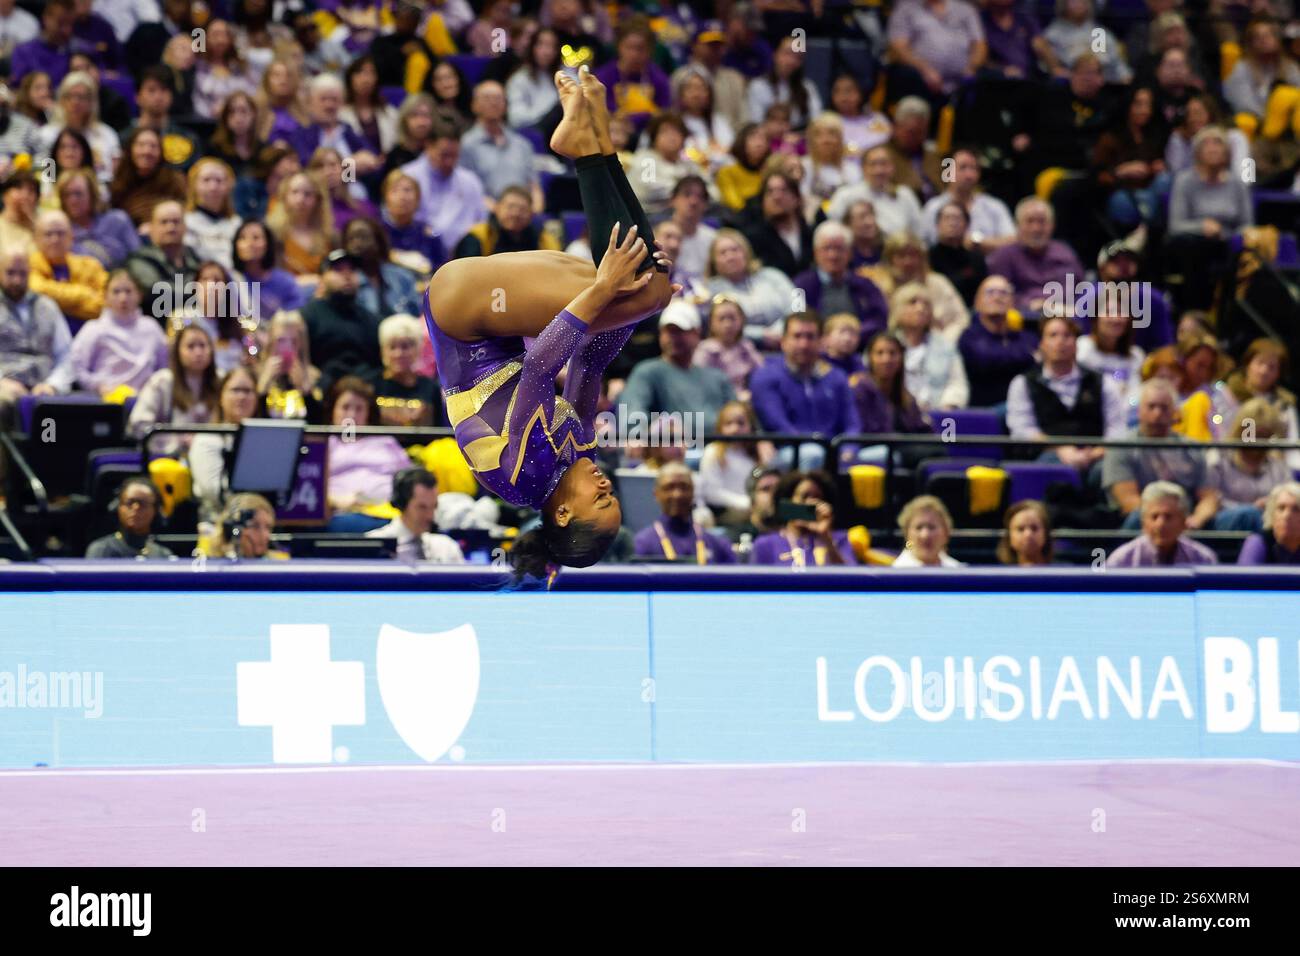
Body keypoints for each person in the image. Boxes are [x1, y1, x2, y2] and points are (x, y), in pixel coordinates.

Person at [423, 66, 677, 575]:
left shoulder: (526, 477)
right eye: (614, 499)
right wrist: (627, 306)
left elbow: (541, 367)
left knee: (642, 289)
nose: (607, 488)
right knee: (648, 283)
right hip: (490, 325)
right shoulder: (578, 448)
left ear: (562, 513)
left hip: (462, 312)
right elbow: (591, 357)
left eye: (600, 502)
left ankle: (588, 146)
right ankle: (595, 134)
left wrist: (609, 292)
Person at [1102, 379, 1261, 533]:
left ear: (1174, 412)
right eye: (1151, 406)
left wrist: (1197, 519)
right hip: (1147, 523)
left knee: (1248, 515)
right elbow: (1129, 502)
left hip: (1189, 522)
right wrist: (1169, 520)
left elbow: (1209, 498)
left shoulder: (1191, 447)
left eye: (1164, 408)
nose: (1157, 413)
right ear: (1139, 411)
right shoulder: (1121, 447)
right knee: (1137, 518)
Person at [1005, 315, 1128, 472]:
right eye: (1053, 335)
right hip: (1047, 455)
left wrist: (1096, 453)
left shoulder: (1103, 382)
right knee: (1052, 466)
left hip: (1097, 457)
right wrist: (1060, 449)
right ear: (1042, 344)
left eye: (1067, 335)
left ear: (1076, 344)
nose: (1060, 341)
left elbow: (1116, 429)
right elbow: (1022, 431)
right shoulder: (1022, 383)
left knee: (1112, 469)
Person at [749, 311, 860, 472]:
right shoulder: (765, 377)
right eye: (797, 336)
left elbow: (852, 423)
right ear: (783, 341)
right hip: (786, 450)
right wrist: (824, 448)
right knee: (813, 454)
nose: (804, 344)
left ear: (821, 342)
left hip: (833, 450)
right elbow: (779, 425)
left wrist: (849, 449)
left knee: (884, 455)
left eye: (810, 337)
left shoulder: (836, 377)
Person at [325, 376, 416, 533]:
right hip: (343, 515)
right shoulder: (324, 445)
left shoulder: (386, 441)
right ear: (333, 410)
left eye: (359, 408)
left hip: (390, 513)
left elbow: (410, 480)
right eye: (345, 407)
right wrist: (334, 501)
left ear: (368, 413)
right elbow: (311, 490)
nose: (352, 414)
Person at [621, 299, 734, 424]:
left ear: (696, 333)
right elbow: (631, 419)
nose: (672, 337)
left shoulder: (717, 378)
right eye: (667, 331)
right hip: (671, 443)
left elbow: (740, 418)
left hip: (721, 443)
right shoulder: (647, 372)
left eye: (679, 331)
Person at [0, 250, 74, 435]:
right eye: (10, 273)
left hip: (44, 385)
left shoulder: (47, 306)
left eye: (22, 273)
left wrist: (53, 384)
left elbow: (67, 355)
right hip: (6, 385)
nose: (17, 280)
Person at [69, 268, 167, 395]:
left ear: (139, 295)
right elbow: (77, 366)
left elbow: (164, 367)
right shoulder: (94, 329)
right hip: (105, 401)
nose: (123, 298)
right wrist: (97, 386)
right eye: (116, 292)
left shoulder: (151, 328)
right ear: (105, 296)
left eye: (128, 291)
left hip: (145, 399)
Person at [127, 322, 218, 457]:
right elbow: (138, 425)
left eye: (203, 346)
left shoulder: (221, 381)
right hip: (168, 458)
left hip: (212, 454)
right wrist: (176, 441)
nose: (198, 352)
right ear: (177, 352)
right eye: (191, 346)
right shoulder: (162, 381)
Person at [986, 198, 1085, 319]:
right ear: (1017, 225)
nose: (1036, 228)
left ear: (1052, 225)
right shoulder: (1003, 256)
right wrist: (1032, 304)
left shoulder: (1065, 252)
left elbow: (1082, 287)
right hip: (1024, 320)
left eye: (1042, 222)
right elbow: (997, 296)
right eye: (1029, 221)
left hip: (1067, 317)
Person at [400, 118, 487, 255]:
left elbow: (482, 223)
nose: (449, 162)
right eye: (444, 155)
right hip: (419, 253)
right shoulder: (407, 177)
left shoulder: (470, 181)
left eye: (454, 155)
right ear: (428, 146)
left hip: (463, 257)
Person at [301, 249, 384, 391]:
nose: (347, 275)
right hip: (321, 390)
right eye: (338, 270)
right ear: (322, 279)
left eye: (352, 270)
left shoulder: (372, 320)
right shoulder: (308, 316)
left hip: (366, 391)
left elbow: (380, 365)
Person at [792, 220, 889, 341]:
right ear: (815, 253)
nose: (833, 255)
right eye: (826, 248)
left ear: (849, 253)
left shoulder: (866, 286)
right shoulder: (799, 286)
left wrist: (852, 334)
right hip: (816, 349)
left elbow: (879, 320)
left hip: (859, 348)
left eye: (839, 249)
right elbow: (796, 320)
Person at [458, 80, 542, 212]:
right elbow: (465, 189)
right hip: (485, 216)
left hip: (522, 215)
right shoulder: (466, 145)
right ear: (474, 105)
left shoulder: (522, 144)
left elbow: (534, 186)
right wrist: (501, 211)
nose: (493, 102)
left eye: (498, 98)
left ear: (505, 105)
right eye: (487, 98)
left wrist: (535, 211)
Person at [704, 227, 797, 345]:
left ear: (746, 253)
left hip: (787, 340)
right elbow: (716, 326)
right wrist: (761, 335)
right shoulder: (710, 290)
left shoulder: (773, 275)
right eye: (723, 253)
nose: (730, 257)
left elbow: (797, 303)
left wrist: (783, 329)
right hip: (737, 348)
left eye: (735, 250)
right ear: (714, 261)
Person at [190, 366, 261, 517]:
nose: (242, 397)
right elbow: (212, 491)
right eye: (235, 390)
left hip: (261, 522)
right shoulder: (206, 438)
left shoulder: (264, 439)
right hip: (216, 523)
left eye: (248, 391)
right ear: (220, 397)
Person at [958, 275, 1037, 408]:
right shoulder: (968, 337)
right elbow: (984, 360)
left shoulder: (1026, 336)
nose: (997, 297)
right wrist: (1027, 356)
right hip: (983, 411)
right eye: (990, 292)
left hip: (1023, 407)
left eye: (1003, 293)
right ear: (977, 302)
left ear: (1013, 302)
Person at [632, 462, 735, 564]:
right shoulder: (643, 544)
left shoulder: (716, 543)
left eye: (684, 487)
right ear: (656, 494)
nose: (677, 495)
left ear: (693, 491)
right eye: (669, 487)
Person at [889, 282, 969, 412]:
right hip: (895, 415)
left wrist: (948, 406)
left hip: (937, 414)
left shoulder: (945, 346)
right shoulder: (885, 344)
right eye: (912, 302)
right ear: (898, 309)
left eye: (926, 304)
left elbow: (957, 383)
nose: (920, 308)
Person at [751, 469, 856, 566]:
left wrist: (826, 538)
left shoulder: (839, 539)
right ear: (788, 502)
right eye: (804, 496)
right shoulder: (766, 544)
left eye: (817, 497)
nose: (811, 503)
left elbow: (851, 581)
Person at [919, 146, 1015, 251]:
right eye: (963, 168)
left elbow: (1012, 242)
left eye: (974, 168)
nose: (969, 175)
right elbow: (921, 244)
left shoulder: (994, 206)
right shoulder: (933, 207)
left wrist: (977, 242)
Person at [1206, 399, 1291, 514]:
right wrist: (1251, 509)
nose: (1258, 441)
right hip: (1226, 521)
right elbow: (1210, 500)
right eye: (1254, 434)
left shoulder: (1277, 466)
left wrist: (1271, 504)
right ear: (1240, 430)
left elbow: (1288, 496)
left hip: (1267, 521)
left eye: (1264, 435)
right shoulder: (1218, 459)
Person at [365, 467, 465, 564]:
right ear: (402, 504)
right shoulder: (372, 545)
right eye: (422, 507)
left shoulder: (446, 547)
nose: (430, 516)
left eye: (434, 507)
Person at [1106, 481, 1218, 566]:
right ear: (1143, 522)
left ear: (1183, 522)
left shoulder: (1203, 559)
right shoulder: (1122, 560)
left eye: (1168, 517)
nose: (1160, 524)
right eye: (1154, 517)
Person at [27, 207, 107, 326]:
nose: (55, 239)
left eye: (60, 233)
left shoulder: (90, 265)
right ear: (36, 239)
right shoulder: (26, 266)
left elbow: (106, 305)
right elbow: (37, 290)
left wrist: (58, 303)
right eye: (48, 234)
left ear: (71, 237)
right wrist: (83, 294)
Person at [697, 400, 774, 523]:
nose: (735, 429)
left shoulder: (758, 451)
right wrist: (746, 503)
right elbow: (711, 493)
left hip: (755, 513)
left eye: (741, 423)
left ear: (751, 426)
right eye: (728, 423)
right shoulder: (713, 451)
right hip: (725, 514)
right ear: (720, 427)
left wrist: (766, 459)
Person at [124, 199, 201, 319]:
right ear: (151, 228)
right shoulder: (139, 259)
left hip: (195, 325)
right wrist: (201, 294)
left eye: (176, 222)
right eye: (164, 222)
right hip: (156, 325)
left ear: (185, 227)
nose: (170, 227)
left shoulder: (195, 257)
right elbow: (158, 293)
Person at [827, 145, 923, 236]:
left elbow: (918, 232)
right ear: (863, 168)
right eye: (873, 164)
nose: (879, 170)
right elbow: (832, 229)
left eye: (883, 164)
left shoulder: (905, 195)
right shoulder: (846, 195)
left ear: (892, 168)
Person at [57, 167, 137, 269]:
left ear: (92, 194)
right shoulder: (61, 232)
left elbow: (138, 257)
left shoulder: (118, 220)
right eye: (66, 195)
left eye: (78, 194)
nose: (73, 200)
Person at [108, 126, 186, 228]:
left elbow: (184, 211)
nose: (147, 151)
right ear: (130, 149)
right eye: (141, 145)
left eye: (153, 146)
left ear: (161, 152)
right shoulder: (119, 181)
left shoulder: (174, 180)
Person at [84, 475, 175, 559]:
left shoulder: (163, 554)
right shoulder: (101, 550)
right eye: (130, 502)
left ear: (155, 510)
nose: (136, 508)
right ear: (118, 507)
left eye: (143, 504)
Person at [691, 295, 763, 402]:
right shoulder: (705, 350)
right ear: (711, 323)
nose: (727, 324)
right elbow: (700, 385)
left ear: (741, 320)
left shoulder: (745, 346)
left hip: (747, 397)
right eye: (721, 319)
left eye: (732, 318)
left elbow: (762, 372)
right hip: (717, 401)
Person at [255, 309, 323, 422]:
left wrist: (306, 392)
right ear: (271, 342)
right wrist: (263, 387)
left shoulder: (315, 378)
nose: (287, 348)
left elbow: (319, 425)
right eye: (281, 340)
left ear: (302, 344)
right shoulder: (254, 375)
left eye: (294, 341)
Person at [231, 220, 307, 319]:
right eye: (242, 238)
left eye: (256, 238)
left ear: (268, 244)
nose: (249, 243)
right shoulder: (231, 279)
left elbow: (296, 318)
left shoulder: (285, 282)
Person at [376, 313, 439, 427]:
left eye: (405, 346)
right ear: (382, 352)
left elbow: (439, 431)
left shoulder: (430, 387)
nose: (399, 353)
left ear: (418, 349)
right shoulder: (372, 385)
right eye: (392, 347)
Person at [183, 158, 241, 270]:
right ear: (194, 185)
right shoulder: (185, 222)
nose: (213, 187)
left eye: (219, 181)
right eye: (206, 180)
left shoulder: (236, 223)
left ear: (228, 187)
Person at [892, 494, 966, 567]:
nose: (925, 535)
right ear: (907, 533)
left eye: (932, 527)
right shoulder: (894, 575)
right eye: (919, 527)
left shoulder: (959, 571)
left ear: (946, 532)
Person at [1237, 482, 1300, 565]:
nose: (1286, 515)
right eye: (1281, 508)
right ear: (1272, 514)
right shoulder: (1257, 542)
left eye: (1296, 509)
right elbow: (1243, 577)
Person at [209, 492, 282, 561]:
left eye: (268, 527)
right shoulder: (208, 565)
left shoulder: (278, 564)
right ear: (230, 528)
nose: (265, 535)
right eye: (255, 526)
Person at [996, 499, 1054, 566]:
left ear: (1046, 534)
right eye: (1020, 529)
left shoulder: (1063, 573)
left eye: (1034, 528)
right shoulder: (999, 574)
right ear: (1009, 537)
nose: (1028, 535)